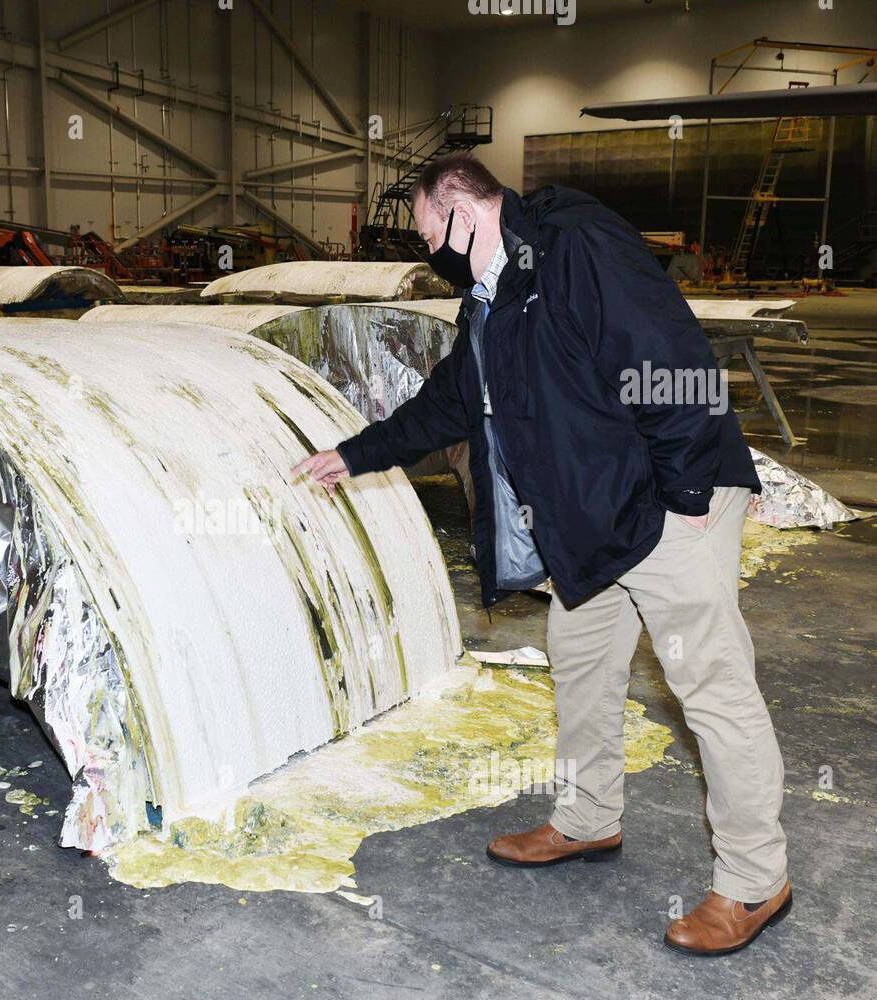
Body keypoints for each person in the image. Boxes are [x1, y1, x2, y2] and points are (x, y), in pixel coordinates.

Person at [293, 154, 790, 956]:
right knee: (581, 656)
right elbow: (449, 402)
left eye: (429, 234)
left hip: (673, 500)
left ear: (464, 215)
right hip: (604, 514)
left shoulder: (577, 251)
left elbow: (677, 370)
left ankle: (755, 879)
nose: (430, 253)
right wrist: (357, 454)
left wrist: (690, 500)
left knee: (710, 683)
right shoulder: (488, 302)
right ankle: (589, 820)